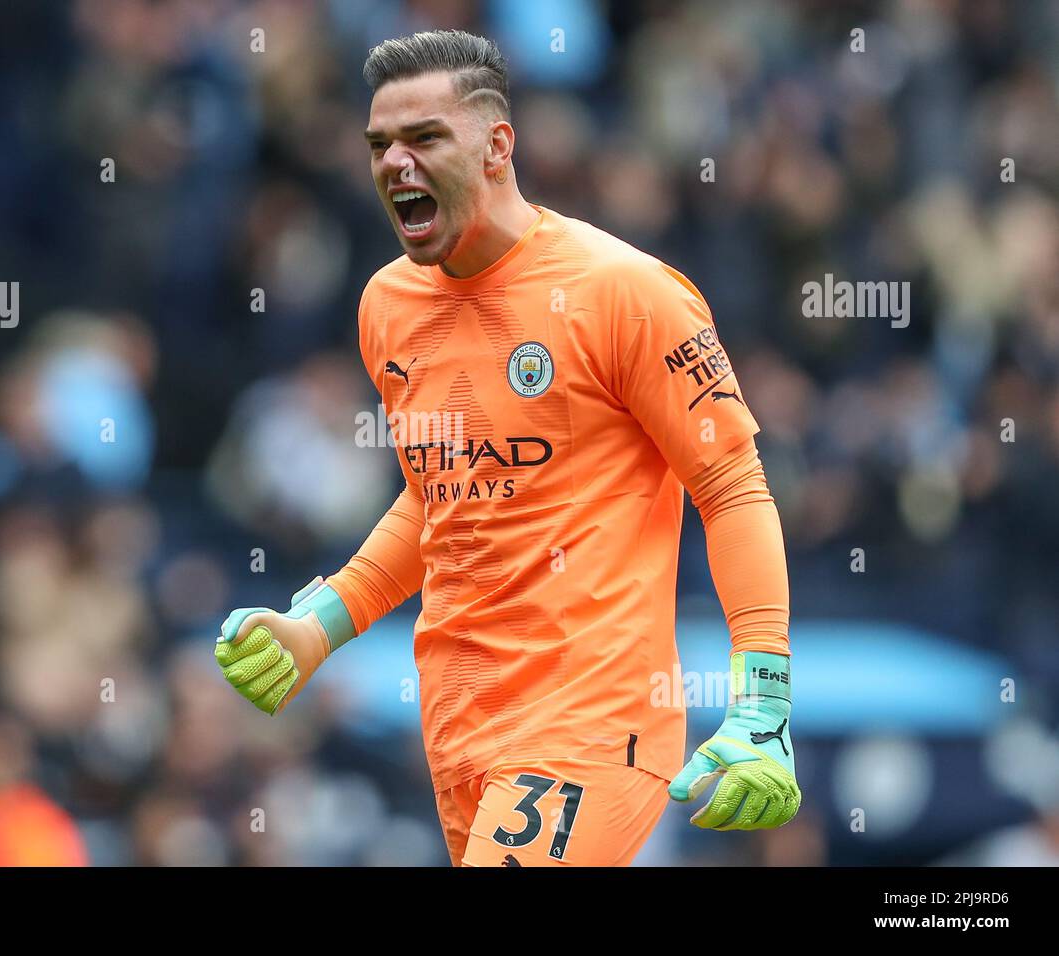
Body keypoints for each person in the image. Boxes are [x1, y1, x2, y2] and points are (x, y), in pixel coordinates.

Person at [215, 29, 799, 867]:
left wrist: (763, 705)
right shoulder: (387, 307)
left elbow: (733, 486)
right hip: (459, 726)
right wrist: (321, 622)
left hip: (590, 721)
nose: (395, 164)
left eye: (424, 139)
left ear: (498, 147)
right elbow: (440, 495)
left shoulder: (624, 292)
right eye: (380, 144)